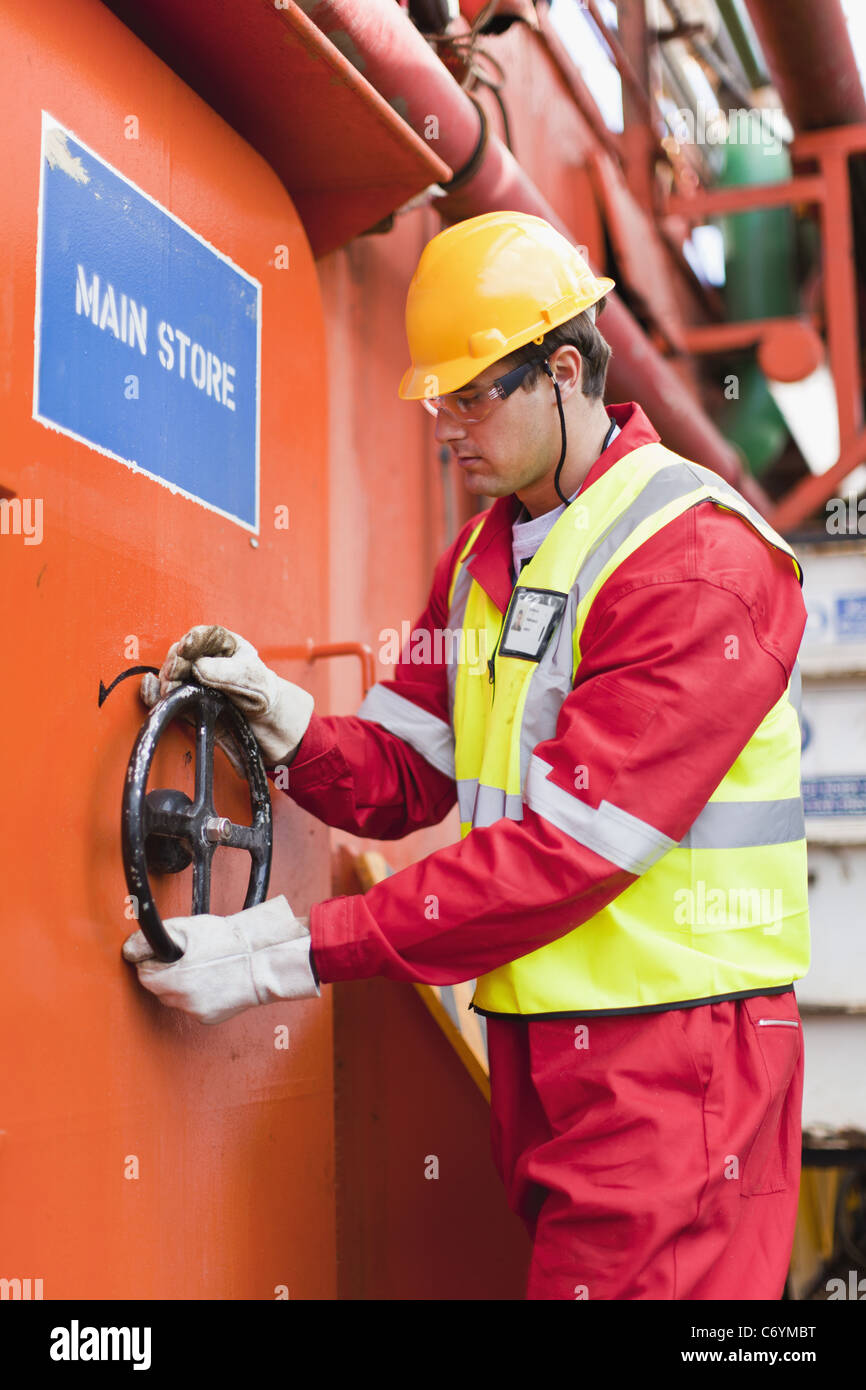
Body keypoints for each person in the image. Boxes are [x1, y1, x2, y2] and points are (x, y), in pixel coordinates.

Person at [124, 210, 810, 1300]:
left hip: (678, 1065)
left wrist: (278, 957)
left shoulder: (693, 565)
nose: (443, 420)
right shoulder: (484, 558)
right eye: (432, 395)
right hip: (547, 1058)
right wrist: (281, 715)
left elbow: (559, 858)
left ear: (564, 372)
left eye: (471, 392)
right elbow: (405, 774)